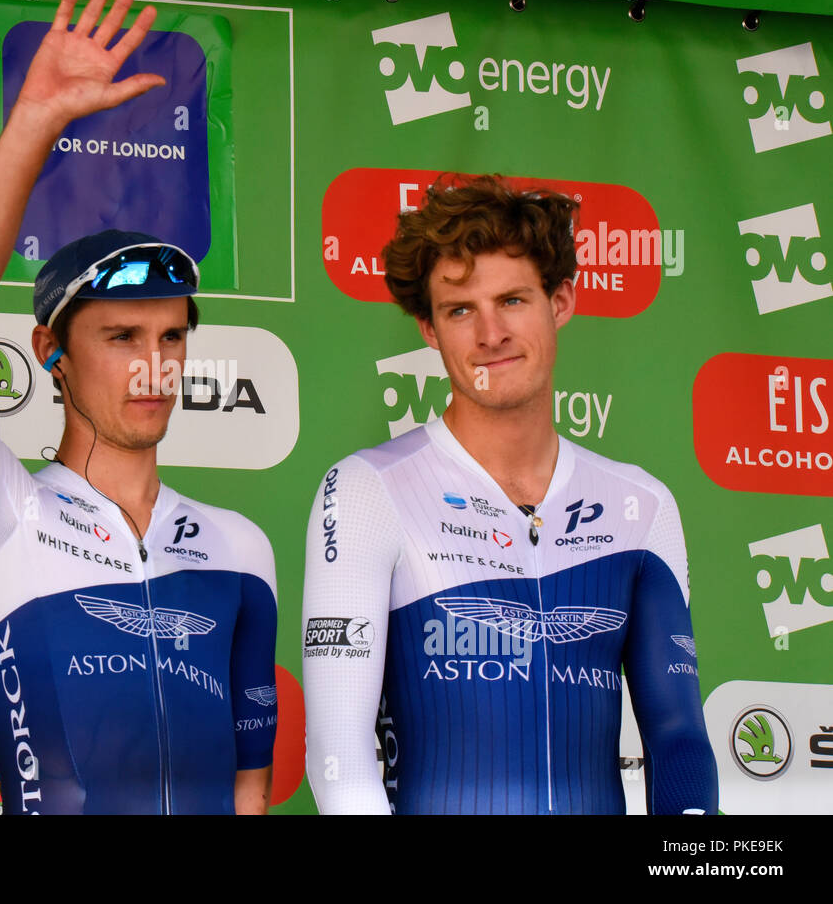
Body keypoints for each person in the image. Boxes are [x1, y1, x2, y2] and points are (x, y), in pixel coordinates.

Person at [0, 0, 277, 814]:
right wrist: (36, 123)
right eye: (120, 337)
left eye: (170, 335)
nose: (153, 362)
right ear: (52, 351)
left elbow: (249, 790)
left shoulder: (240, 549)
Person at [302, 175, 718, 814]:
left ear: (561, 303)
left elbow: (679, 738)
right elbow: (339, 755)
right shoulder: (366, 490)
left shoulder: (642, 505)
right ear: (429, 330)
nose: (490, 334)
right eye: (461, 310)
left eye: (514, 300)